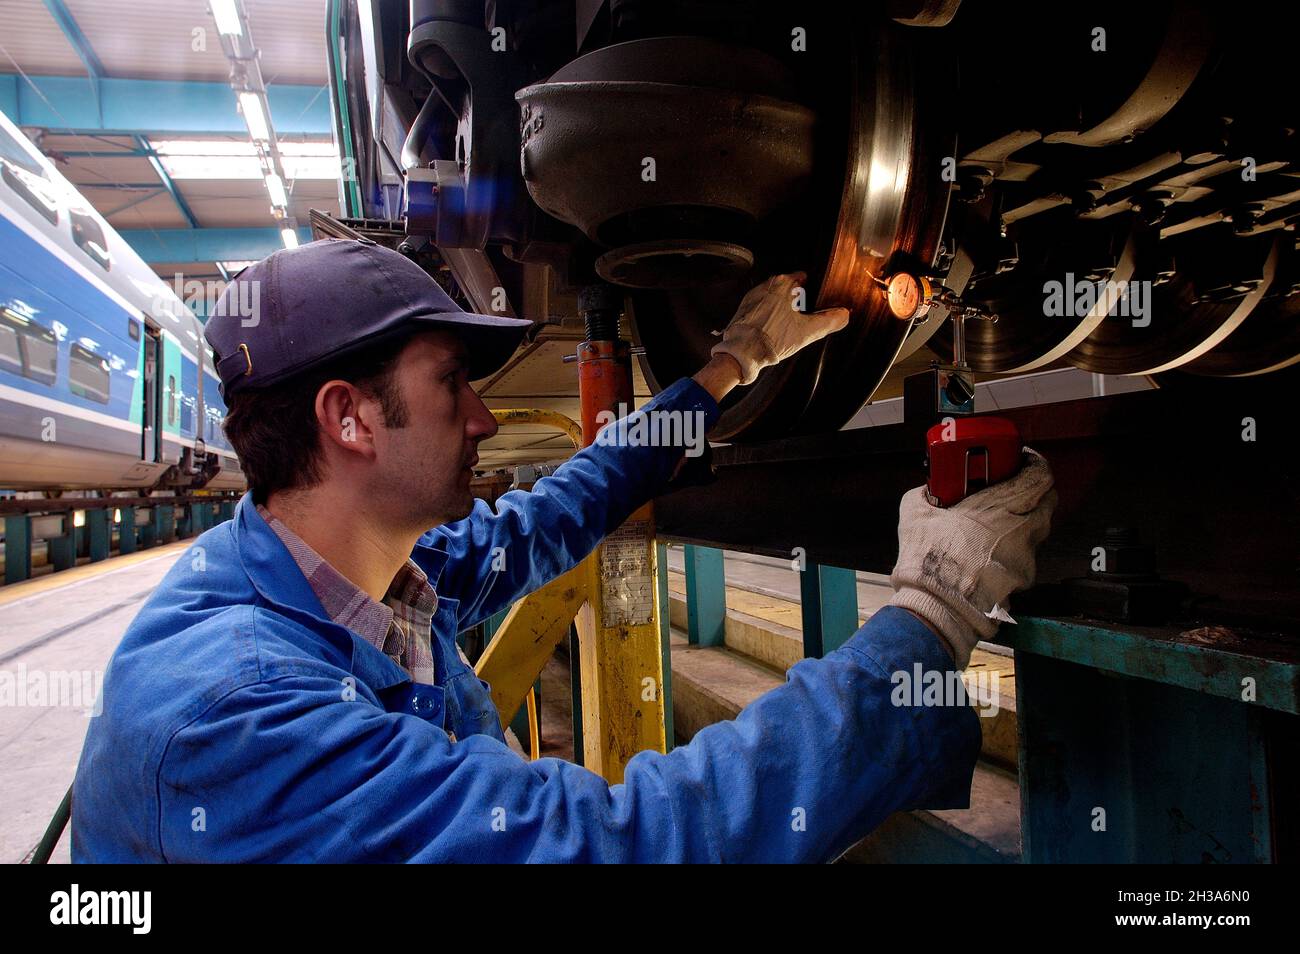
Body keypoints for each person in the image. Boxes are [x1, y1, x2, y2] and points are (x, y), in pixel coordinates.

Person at [71, 238, 1055, 862]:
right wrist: (932, 609)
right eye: (454, 383)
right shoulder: (240, 714)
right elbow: (612, 847)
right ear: (351, 418)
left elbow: (561, 507)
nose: (486, 418)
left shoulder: (346, 571)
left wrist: (734, 362)